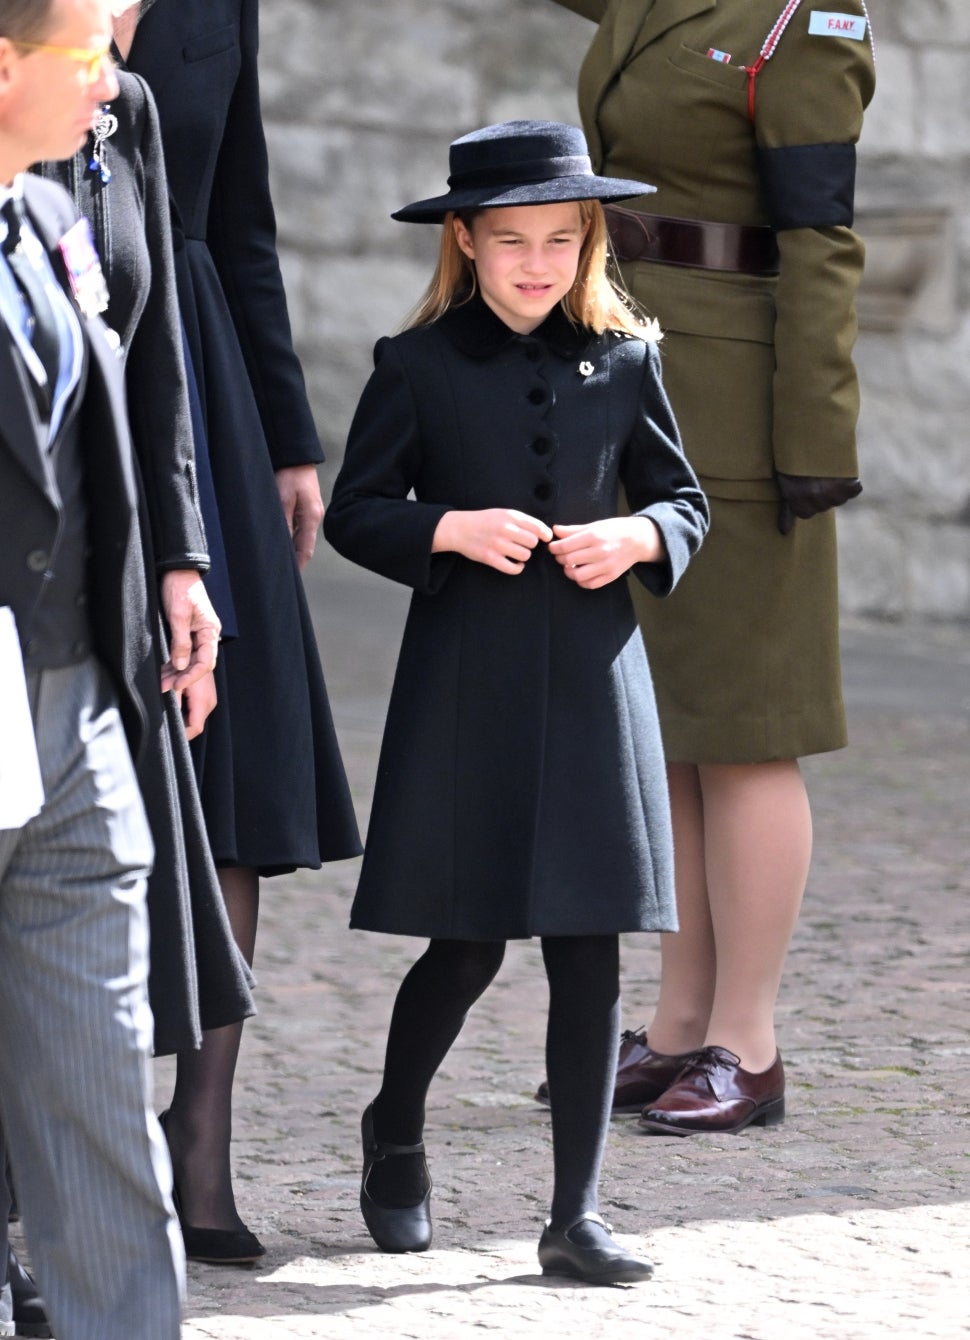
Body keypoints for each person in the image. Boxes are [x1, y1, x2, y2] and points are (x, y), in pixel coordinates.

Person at [324, 120, 708, 1285]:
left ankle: (574, 1212)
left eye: (557, 238)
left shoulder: (629, 360)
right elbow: (354, 509)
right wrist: (443, 524)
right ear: (466, 242)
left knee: (591, 948)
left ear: (587, 238)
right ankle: (394, 1127)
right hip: (467, 683)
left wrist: (637, 532)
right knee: (468, 941)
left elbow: (684, 500)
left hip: (595, 680)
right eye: (510, 241)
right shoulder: (418, 363)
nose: (535, 262)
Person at [541, 0, 876, 1133]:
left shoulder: (808, 26)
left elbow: (822, 237)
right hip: (634, 384)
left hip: (738, 410)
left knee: (743, 727)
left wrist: (814, 439)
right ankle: (681, 1024)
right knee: (673, 726)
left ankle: (749, 1039)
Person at [118, 0, 362, 1261]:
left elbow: (244, 215)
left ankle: (197, 1146)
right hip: (55, 345)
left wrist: (285, 434)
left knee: (231, 760)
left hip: (205, 382)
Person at [0, 0, 192, 1335]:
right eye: (85, 53)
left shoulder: (55, 219)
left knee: (104, 1105)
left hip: (77, 712)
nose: (110, 79)